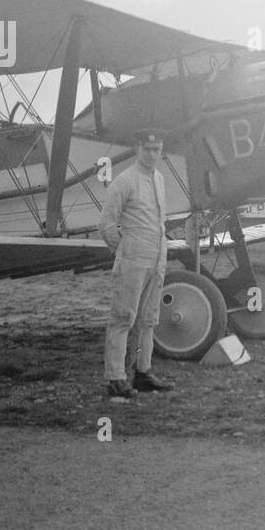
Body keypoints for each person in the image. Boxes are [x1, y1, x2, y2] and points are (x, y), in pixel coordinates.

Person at [100, 129, 174, 399]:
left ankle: (143, 372)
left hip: (157, 259)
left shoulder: (159, 179)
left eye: (157, 150)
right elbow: (107, 225)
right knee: (123, 318)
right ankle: (115, 377)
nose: (152, 155)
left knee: (148, 320)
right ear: (137, 149)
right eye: (147, 149)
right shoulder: (124, 181)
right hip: (133, 259)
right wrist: (124, 252)